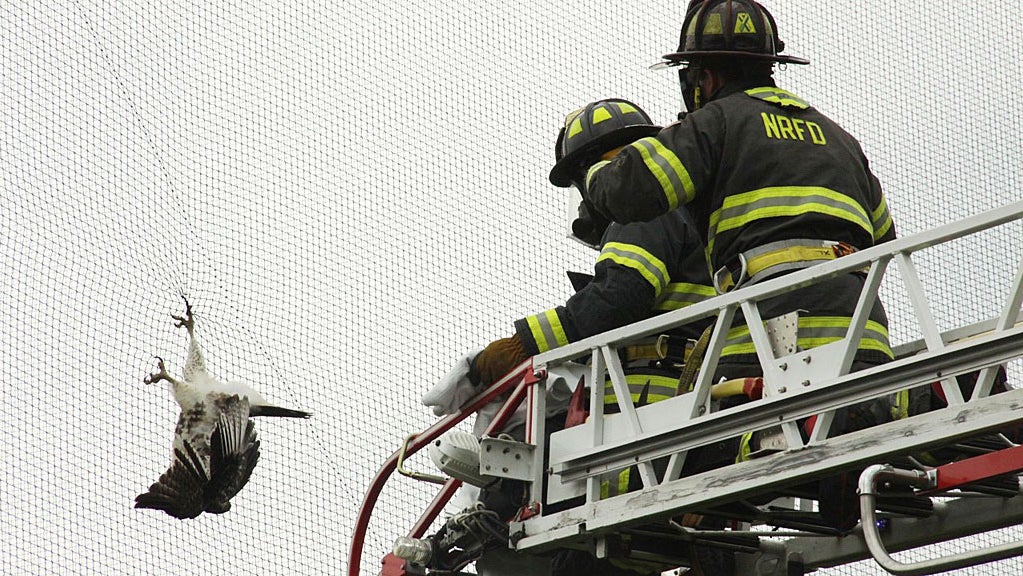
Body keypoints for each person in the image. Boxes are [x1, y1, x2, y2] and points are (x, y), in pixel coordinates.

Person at [575, 0, 899, 531]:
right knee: (843, 415)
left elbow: (634, 189)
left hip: (771, 330)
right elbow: (885, 240)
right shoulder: (841, 140)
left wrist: (596, 175)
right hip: (860, 330)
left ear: (705, 74)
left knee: (706, 451)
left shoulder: (717, 123)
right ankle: (878, 421)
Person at [437, 98, 733, 576]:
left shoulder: (644, 213)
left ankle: (491, 512)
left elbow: (618, 297)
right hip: (695, 412)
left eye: (582, 182)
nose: (583, 201)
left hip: (651, 413)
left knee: (560, 527)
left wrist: (521, 346)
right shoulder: (699, 219)